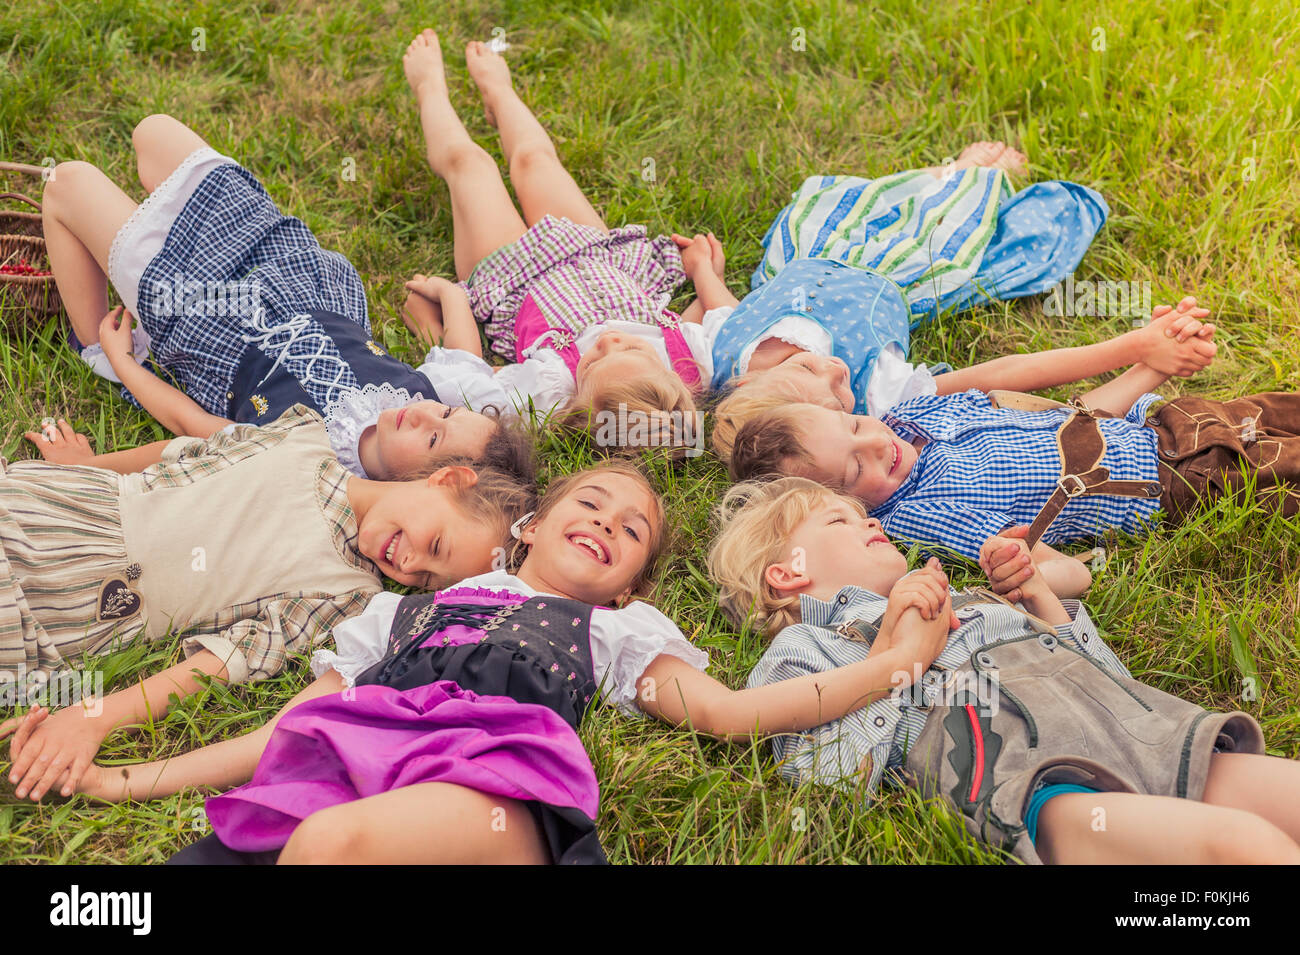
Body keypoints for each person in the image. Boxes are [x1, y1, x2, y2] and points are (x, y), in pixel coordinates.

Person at [39, 462, 948, 864]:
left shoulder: (616, 634)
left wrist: (898, 659)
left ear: (629, 588)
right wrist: (125, 781)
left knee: (327, 848)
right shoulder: (398, 611)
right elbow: (286, 729)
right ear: (531, 525)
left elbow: (731, 716)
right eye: (590, 504)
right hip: (348, 776)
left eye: (630, 533)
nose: (604, 524)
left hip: (491, 799)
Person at [707, 477, 1300, 864]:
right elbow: (827, 774)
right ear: (787, 575)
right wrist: (894, 656)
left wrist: (1039, 596)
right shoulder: (808, 647)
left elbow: (1111, 680)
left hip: (1150, 734)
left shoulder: (966, 599)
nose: (869, 522)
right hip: (1036, 779)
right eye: (838, 522)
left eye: (863, 513)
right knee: (1244, 850)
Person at [0, 405, 534, 802]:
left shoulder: (348, 595)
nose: (413, 564)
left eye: (429, 579)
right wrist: (88, 470)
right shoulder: (303, 437)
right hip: (50, 510)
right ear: (449, 479)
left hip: (67, 608)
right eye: (435, 545)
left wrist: (94, 718)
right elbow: (179, 456)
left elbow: (222, 661)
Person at [41, 113, 532, 482]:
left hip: (206, 321)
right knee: (154, 132)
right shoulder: (425, 398)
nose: (425, 411)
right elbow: (466, 358)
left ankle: (95, 347)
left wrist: (120, 372)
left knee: (66, 181)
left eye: (432, 437)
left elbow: (190, 428)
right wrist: (451, 295)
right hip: (289, 275)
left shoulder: (317, 464)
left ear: (429, 485)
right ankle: (156, 229)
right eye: (446, 413)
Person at [397, 30, 709, 443]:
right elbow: (706, 320)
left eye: (595, 360)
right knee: (534, 159)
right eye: (633, 350)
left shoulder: (547, 392)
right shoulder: (690, 366)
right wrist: (705, 275)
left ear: (576, 399)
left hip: (511, 275)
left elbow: (469, 372)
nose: (611, 340)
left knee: (471, 165)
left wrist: (440, 318)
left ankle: (428, 87)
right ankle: (499, 93)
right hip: (593, 257)